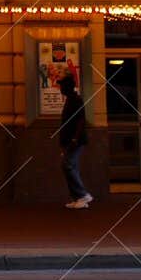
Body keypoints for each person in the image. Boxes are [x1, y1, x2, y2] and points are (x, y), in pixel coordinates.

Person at [58, 73, 92, 209]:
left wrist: (74, 138)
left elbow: (80, 120)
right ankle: (78, 198)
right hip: (70, 140)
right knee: (72, 166)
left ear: (67, 87)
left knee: (68, 165)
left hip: (75, 141)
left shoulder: (76, 100)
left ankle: (82, 195)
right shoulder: (70, 99)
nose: (60, 88)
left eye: (61, 86)